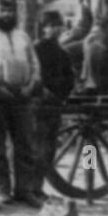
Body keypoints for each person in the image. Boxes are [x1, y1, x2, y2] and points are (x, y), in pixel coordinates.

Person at [0, 0, 42, 207]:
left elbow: (35, 65)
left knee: (24, 144)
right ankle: (2, 190)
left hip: (22, 96)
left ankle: (24, 190)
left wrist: (31, 85)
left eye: (10, 10)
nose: (6, 14)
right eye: (2, 10)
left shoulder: (23, 37)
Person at [32, 11, 76, 201]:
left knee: (49, 148)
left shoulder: (62, 52)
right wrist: (44, 92)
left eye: (58, 25)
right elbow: (34, 73)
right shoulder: (36, 49)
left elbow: (69, 78)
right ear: (43, 28)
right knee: (38, 147)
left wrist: (62, 95)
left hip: (55, 105)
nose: (56, 29)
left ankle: (38, 187)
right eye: (51, 25)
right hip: (40, 105)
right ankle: (30, 188)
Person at [61, 0, 108, 91]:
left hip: (107, 36)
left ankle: (91, 83)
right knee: (65, 50)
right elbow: (83, 24)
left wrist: (94, 33)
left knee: (90, 44)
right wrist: (69, 36)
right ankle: (76, 83)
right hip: (91, 36)